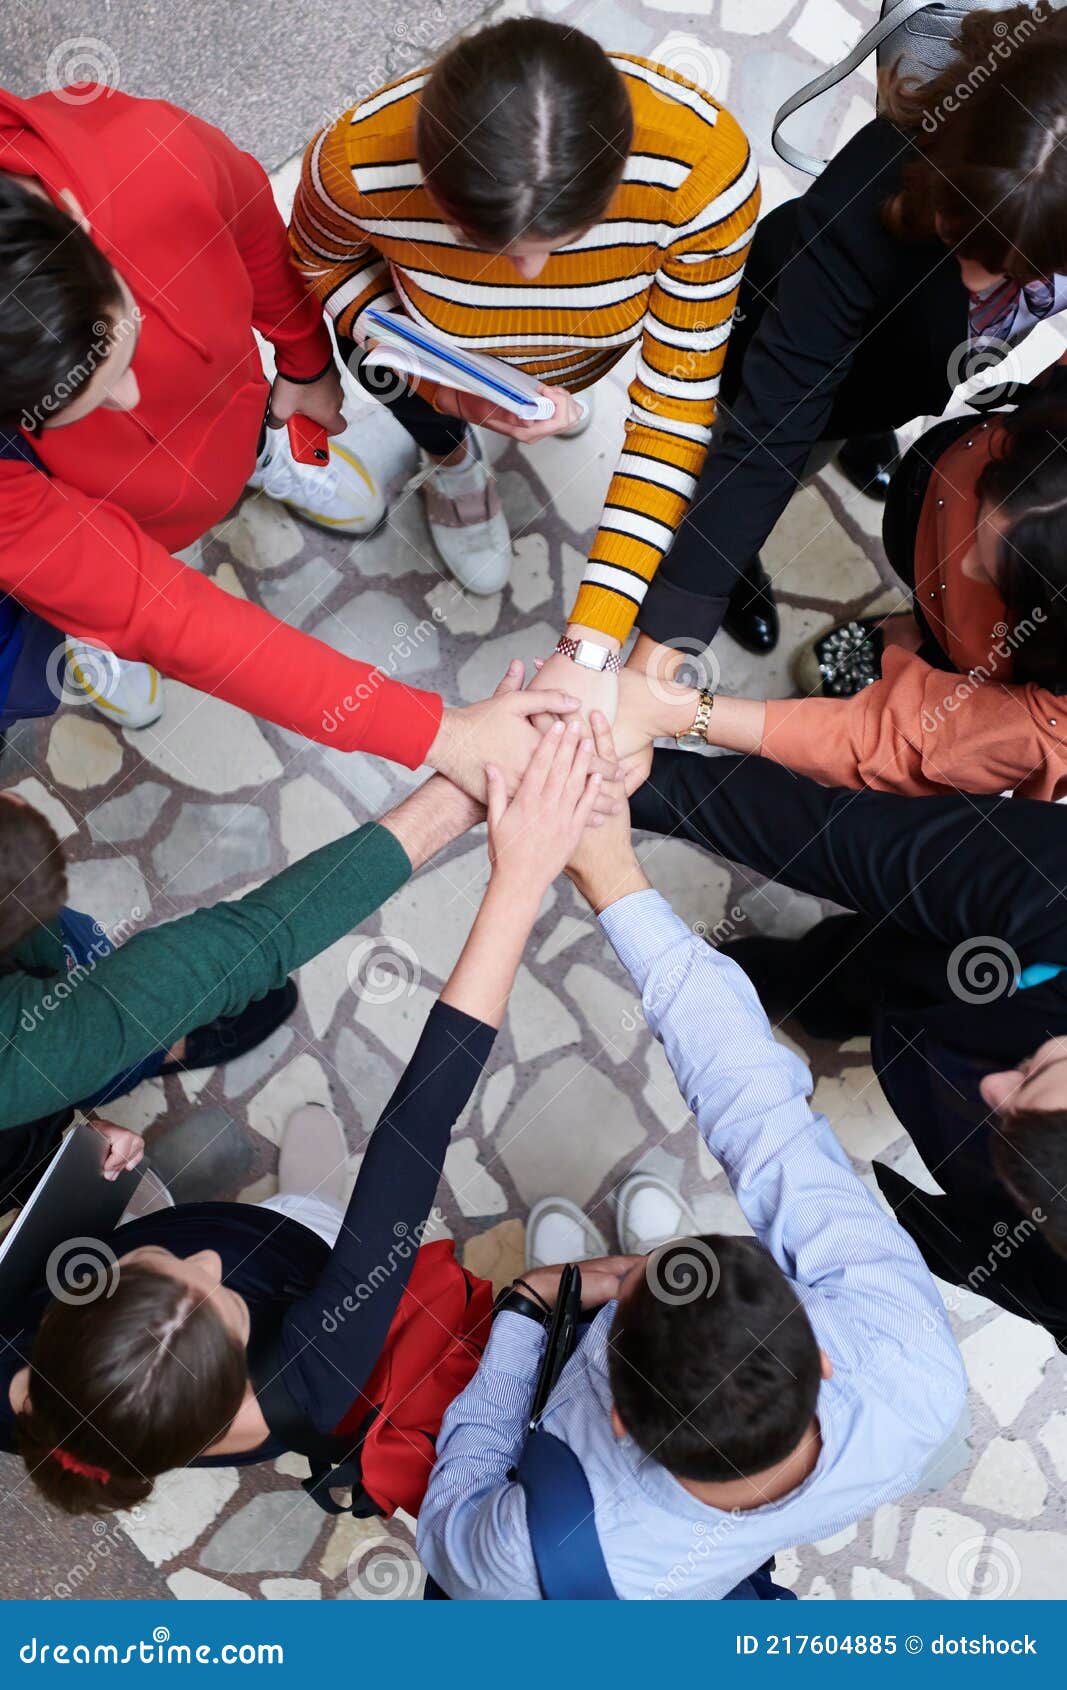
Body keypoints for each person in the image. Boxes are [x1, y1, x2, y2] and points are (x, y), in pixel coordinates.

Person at [416, 719, 966, 1600]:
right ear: (818, 1355)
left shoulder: (522, 1558)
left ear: (616, 1423)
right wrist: (613, 872)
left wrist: (526, 1315)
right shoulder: (912, 1371)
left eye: (653, 1277)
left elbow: (451, 1525)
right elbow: (759, 1111)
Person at [2, 717, 605, 1515]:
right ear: (217, 1411)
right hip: (314, 1264)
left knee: (285, 1222)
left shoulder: (21, 1375)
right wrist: (521, 878)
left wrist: (65, 1160)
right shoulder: (314, 1378)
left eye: (158, 1267)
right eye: (215, 1297)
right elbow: (413, 1130)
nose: (207, 1259)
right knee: (315, 1226)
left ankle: (292, 1201)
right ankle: (305, 1208)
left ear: (63, 1324)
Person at [0, 82, 595, 799]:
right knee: (87, 597)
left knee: (236, 440)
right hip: (101, 513)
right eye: (76, 405)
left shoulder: (145, 150)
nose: (130, 396)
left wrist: (305, 358)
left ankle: (259, 456)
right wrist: (442, 734)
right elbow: (162, 611)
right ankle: (82, 626)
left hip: (232, 410)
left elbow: (249, 218)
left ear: (69, 217)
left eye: (122, 343)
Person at [289, 16, 759, 720]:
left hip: (585, 352)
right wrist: (437, 383)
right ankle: (453, 462)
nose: (528, 274)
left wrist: (588, 648)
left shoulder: (700, 176)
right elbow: (319, 259)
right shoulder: (354, 162)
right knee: (415, 407)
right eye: (475, 240)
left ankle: (547, 399)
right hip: (424, 352)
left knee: (573, 384)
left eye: (563, 243)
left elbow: (671, 410)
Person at [0, 663, 563, 1206]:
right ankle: (158, 1047)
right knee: (119, 1028)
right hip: (29, 1058)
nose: (18, 801)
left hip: (36, 1029)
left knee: (89, 987)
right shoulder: (15, 1050)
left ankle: (130, 1049)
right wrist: (458, 796)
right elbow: (252, 943)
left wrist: (66, 1133)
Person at [624, 2, 1067, 664]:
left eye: (1013, 267)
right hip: (788, 326)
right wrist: (665, 641)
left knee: (878, 397)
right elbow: (769, 439)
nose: (974, 282)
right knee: (794, 452)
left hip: (914, 367)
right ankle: (737, 556)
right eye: (959, 236)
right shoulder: (860, 205)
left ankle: (865, 429)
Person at [626, 741, 1067, 1346]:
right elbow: (840, 837)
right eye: (1032, 1081)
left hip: (974, 1128)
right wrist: (625, 782)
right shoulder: (1053, 882)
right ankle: (807, 984)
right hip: (958, 962)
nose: (993, 1088)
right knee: (859, 966)